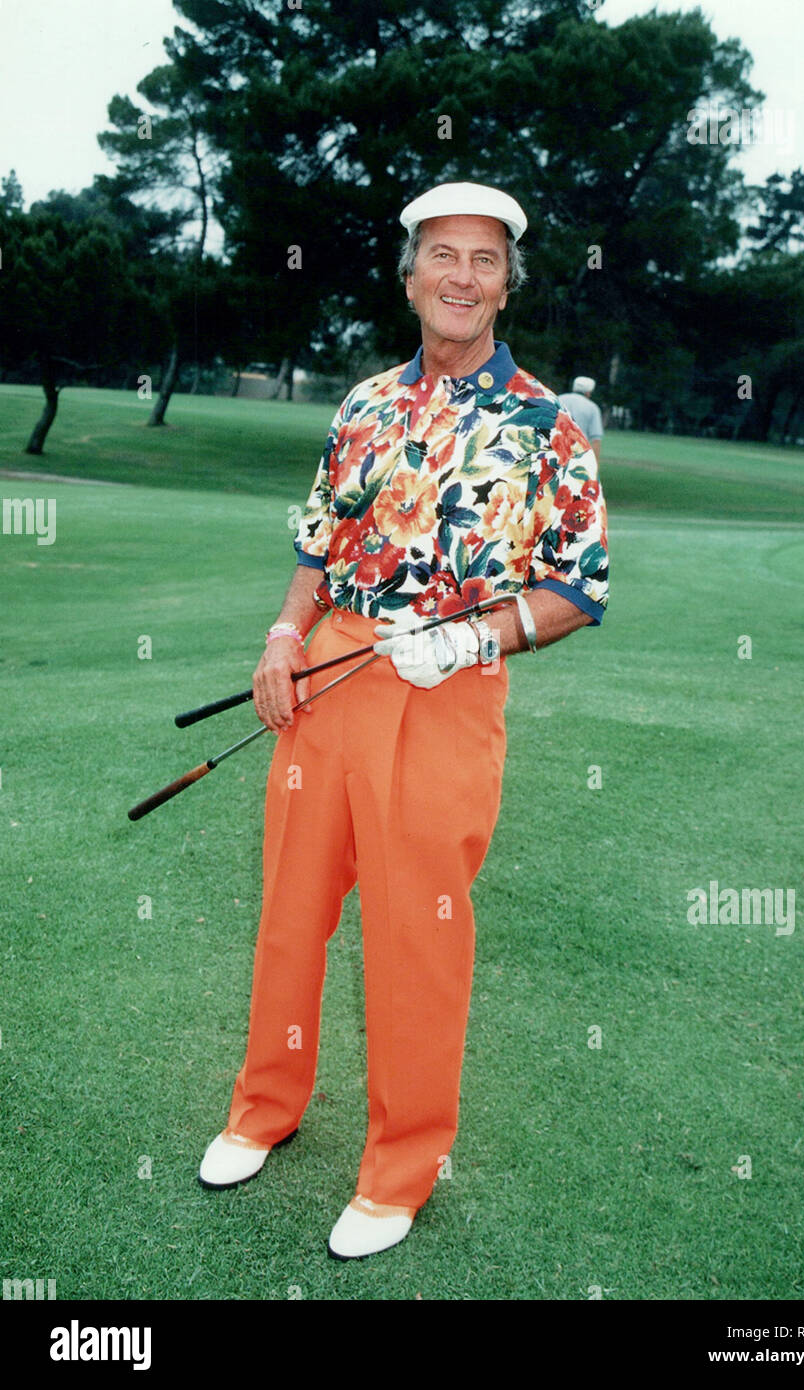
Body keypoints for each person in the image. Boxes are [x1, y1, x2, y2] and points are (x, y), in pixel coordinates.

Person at [197, 181, 609, 1259]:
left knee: (414, 936)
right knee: (289, 912)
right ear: (410, 272)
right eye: (442, 255)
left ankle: (399, 1167)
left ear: (506, 281)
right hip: (330, 670)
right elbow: (316, 541)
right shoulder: (364, 402)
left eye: (483, 260)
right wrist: (284, 636)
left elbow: (580, 586)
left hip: (444, 693)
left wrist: (478, 638)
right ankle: (263, 1108)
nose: (460, 277)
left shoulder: (549, 425)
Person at [558, 376, 603, 461]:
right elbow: (596, 439)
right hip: (579, 453)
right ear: (588, 393)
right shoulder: (592, 407)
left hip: (556, 448)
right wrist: (595, 465)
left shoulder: (558, 399)